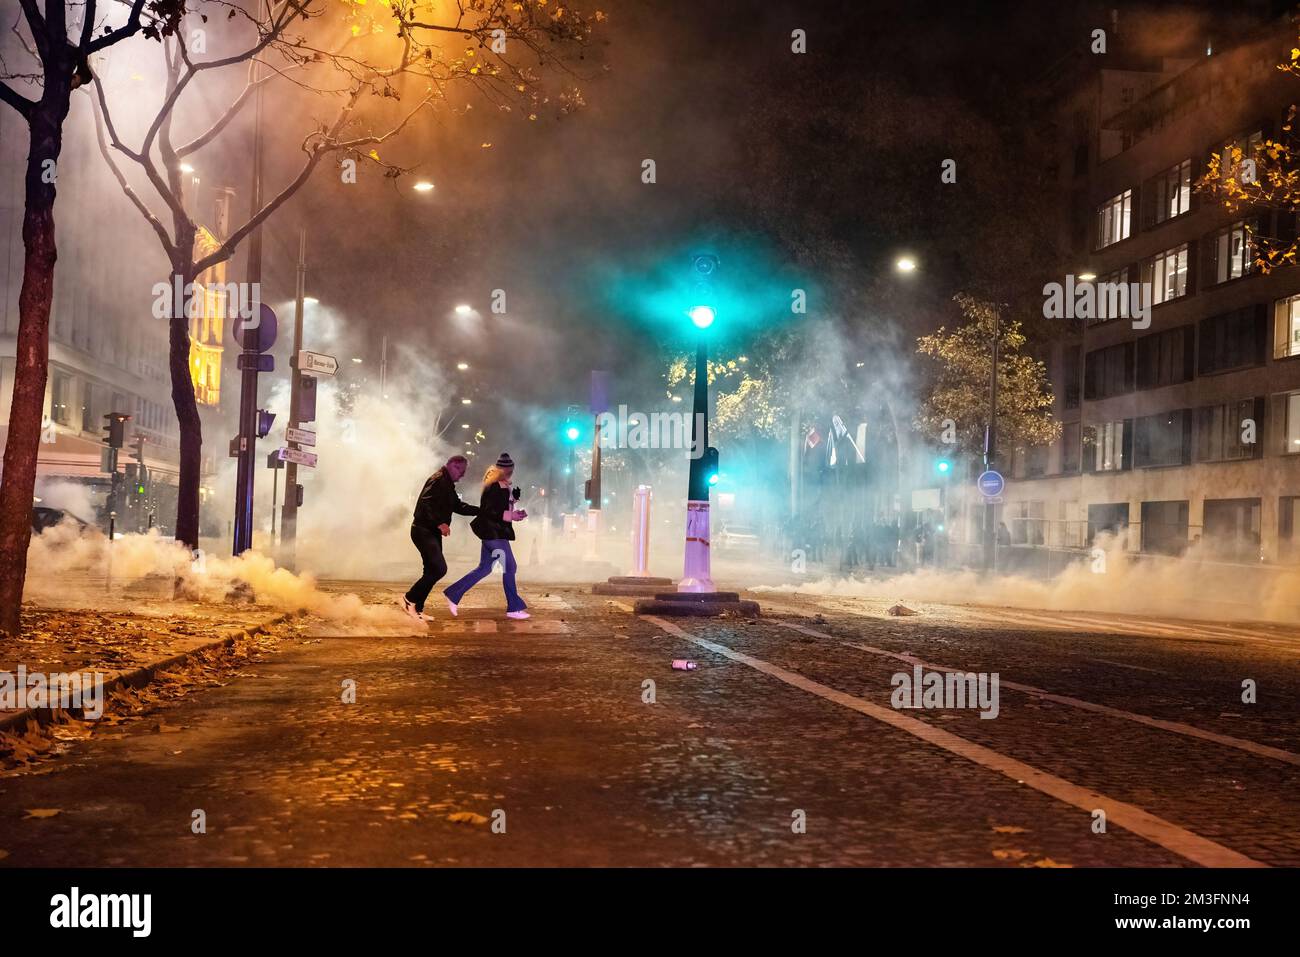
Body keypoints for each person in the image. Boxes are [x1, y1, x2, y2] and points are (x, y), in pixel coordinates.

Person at [443, 452, 530, 619]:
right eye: (509, 470)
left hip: (493, 532)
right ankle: (513, 608)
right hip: (494, 534)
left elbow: (498, 508)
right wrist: (512, 515)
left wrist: (514, 505)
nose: (511, 473)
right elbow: (490, 510)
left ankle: (453, 594)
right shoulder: (496, 485)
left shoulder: (498, 484)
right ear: (504, 470)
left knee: (484, 568)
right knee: (510, 567)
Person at [401, 455, 478, 620]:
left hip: (431, 531)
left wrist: (482, 510)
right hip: (423, 530)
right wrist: (440, 523)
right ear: (451, 465)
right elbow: (425, 503)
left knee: (431, 570)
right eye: (460, 470)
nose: (462, 475)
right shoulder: (438, 480)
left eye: (464, 472)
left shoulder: (448, 484)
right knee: (439, 568)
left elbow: (458, 506)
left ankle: (417, 609)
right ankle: (409, 599)